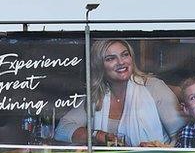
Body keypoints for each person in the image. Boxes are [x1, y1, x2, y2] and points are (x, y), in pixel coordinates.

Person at [55, 39, 183, 147]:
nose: (121, 62)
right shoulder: (96, 95)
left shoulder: (154, 87)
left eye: (125, 55)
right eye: (111, 58)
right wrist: (98, 136)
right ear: (99, 66)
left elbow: (182, 138)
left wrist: (157, 150)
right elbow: (62, 130)